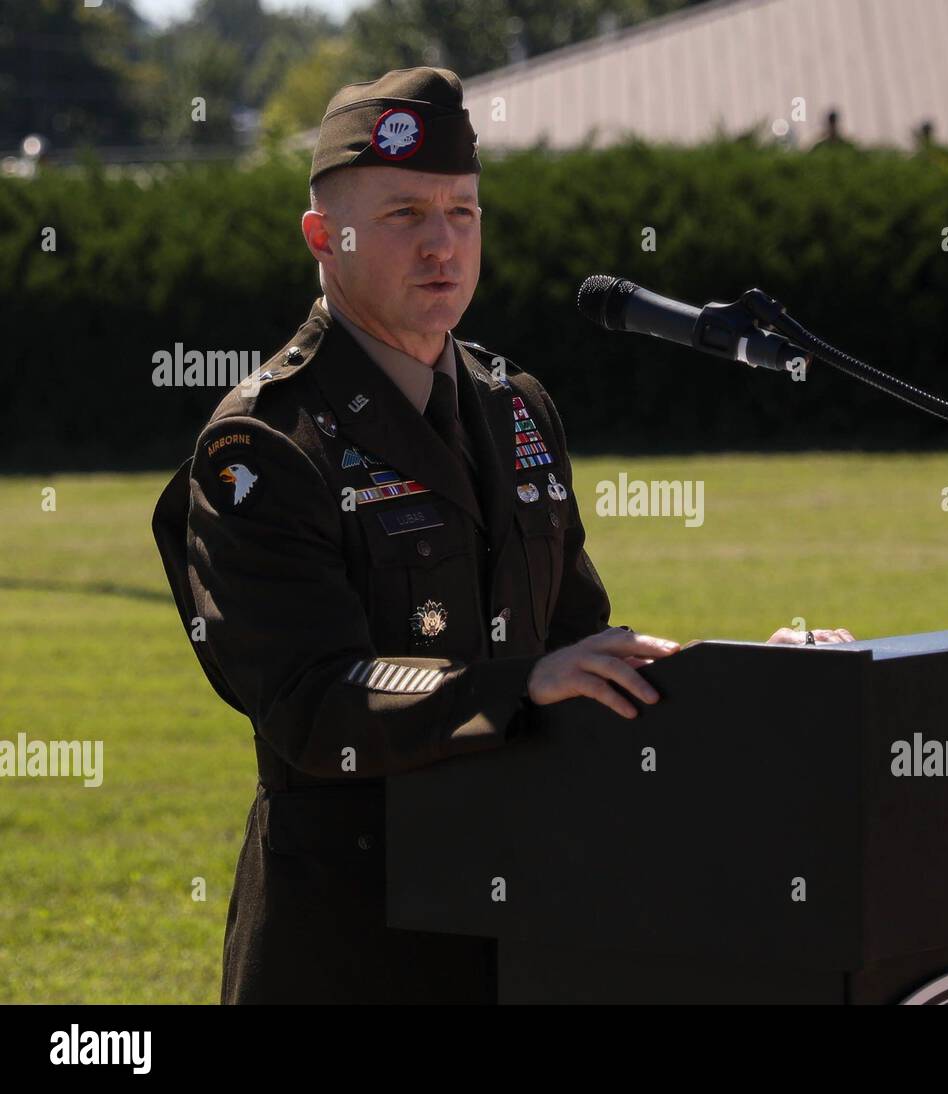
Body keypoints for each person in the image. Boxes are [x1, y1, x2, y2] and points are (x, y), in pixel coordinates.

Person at [152, 66, 852, 1005]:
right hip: (353, 938)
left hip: (525, 917)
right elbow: (311, 705)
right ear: (325, 237)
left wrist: (749, 682)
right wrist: (512, 689)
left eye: (464, 213)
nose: (443, 244)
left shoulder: (515, 409)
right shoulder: (265, 441)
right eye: (404, 215)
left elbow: (579, 657)